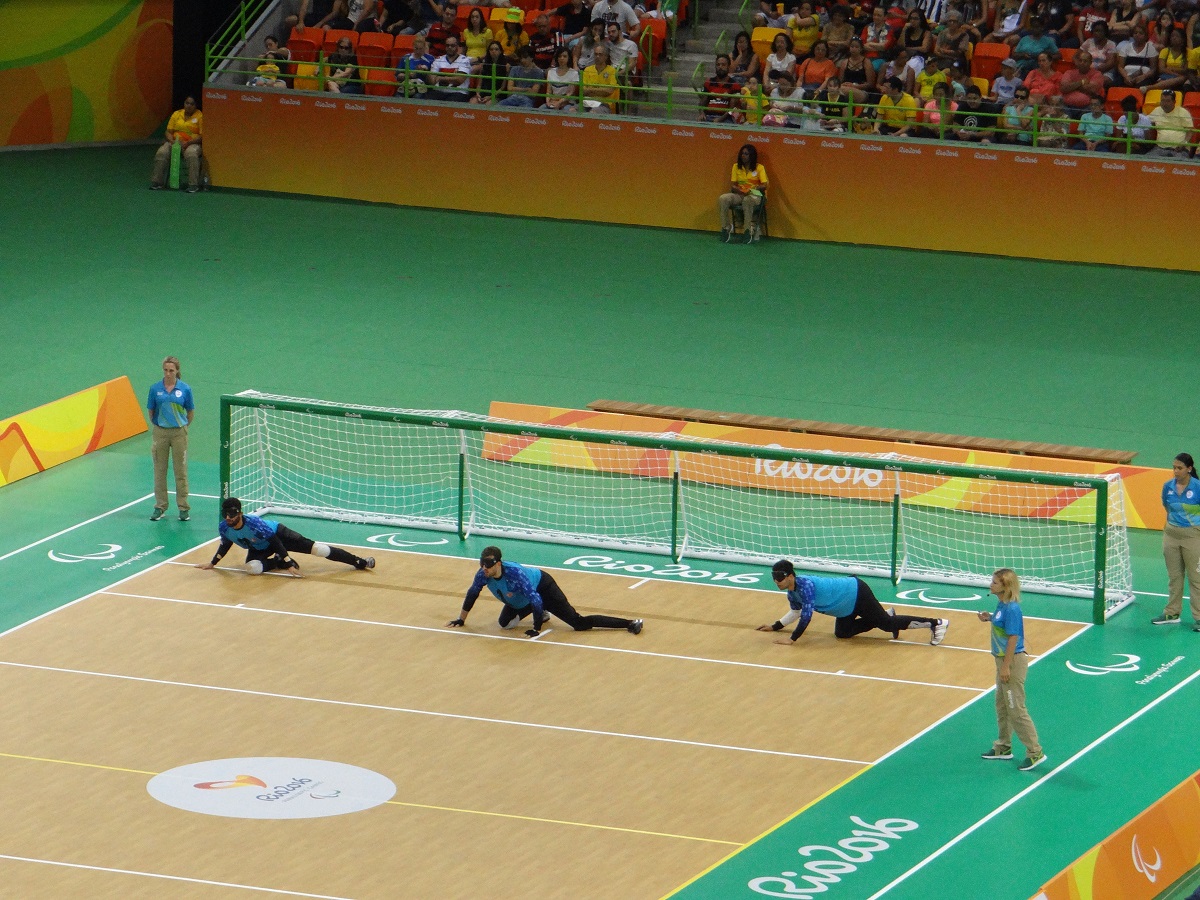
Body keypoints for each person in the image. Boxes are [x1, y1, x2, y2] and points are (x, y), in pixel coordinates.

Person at [447, 546, 643, 635]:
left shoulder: (515, 573)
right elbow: (472, 593)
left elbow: (535, 598)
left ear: (498, 564)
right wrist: (461, 619)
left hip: (543, 588)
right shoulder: (483, 575)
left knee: (578, 624)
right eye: (482, 565)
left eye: (488, 566)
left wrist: (536, 628)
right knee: (504, 625)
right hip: (523, 599)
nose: (484, 569)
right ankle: (540, 612)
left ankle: (629, 623)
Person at [758, 559, 949, 644]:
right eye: (774, 578)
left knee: (887, 625)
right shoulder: (792, 593)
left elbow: (806, 617)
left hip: (856, 593)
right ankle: (883, 615)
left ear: (791, 576)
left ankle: (936, 624)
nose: (776, 581)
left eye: (780, 577)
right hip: (844, 608)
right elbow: (796, 612)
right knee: (842, 633)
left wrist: (792, 639)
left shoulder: (805, 586)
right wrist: (775, 627)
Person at [978, 568, 1046, 772]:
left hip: (1012, 662)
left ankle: (1035, 752)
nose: (991, 585)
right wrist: (990, 618)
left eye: (995, 582)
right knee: (1002, 705)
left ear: (1005, 586)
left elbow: (1013, 638)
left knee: (1016, 708)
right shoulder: (1001, 605)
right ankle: (1003, 746)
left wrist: (1006, 666)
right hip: (1002, 661)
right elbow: (1003, 623)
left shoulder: (1012, 608)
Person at [197, 497, 375, 575]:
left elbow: (275, 542)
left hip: (279, 535)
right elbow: (225, 544)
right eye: (225, 515)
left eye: (231, 514)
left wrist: (289, 563)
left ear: (240, 513)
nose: (228, 518)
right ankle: (277, 562)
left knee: (318, 550)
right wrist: (213, 563)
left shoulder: (254, 524)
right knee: (252, 568)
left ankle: (359, 561)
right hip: (259, 546)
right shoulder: (224, 527)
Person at [1153, 453, 1200, 627]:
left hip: (1193, 536)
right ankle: (1172, 613)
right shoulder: (1168, 486)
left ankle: (1199, 616)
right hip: (1171, 535)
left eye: (1180, 468)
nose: (1176, 471)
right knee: (1174, 577)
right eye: (1174, 468)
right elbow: (1166, 506)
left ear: (1189, 469)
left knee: (1196, 578)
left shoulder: (1197, 487)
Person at [146, 356, 194, 522]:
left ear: (177, 371)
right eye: (165, 370)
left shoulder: (185, 389)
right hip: (160, 433)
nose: (168, 373)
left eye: (171, 370)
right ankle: (160, 507)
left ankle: (183, 508)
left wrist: (182, 427)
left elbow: (190, 411)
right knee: (160, 471)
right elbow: (151, 411)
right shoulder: (155, 389)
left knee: (180, 471)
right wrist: (160, 426)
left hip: (179, 433)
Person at [149, 96, 204, 192]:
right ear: (184, 104)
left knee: (191, 154)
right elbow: (168, 131)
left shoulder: (200, 116)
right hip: (175, 142)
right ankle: (157, 182)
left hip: (192, 143)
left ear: (196, 106)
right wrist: (173, 142)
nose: (189, 106)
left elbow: (202, 136)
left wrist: (188, 142)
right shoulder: (176, 114)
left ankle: (193, 185)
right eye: (187, 103)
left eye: (192, 104)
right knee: (162, 152)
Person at [718, 143, 768, 243]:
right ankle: (726, 227)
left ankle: (747, 231)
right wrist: (739, 190)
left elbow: (765, 185)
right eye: (742, 153)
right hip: (740, 194)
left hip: (755, 195)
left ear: (752, 156)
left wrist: (754, 189)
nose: (743, 156)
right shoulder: (736, 166)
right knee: (723, 198)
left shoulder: (759, 167)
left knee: (747, 200)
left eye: (746, 154)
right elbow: (733, 185)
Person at [1146, 89, 1194, 156]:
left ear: (1174, 102)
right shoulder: (1156, 110)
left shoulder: (1183, 112)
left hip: (1179, 150)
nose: (1164, 104)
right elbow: (1145, 121)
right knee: (1147, 159)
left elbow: (1190, 131)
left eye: (1168, 101)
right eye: (1162, 100)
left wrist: (1184, 143)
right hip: (1160, 148)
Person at [428, 35, 473, 100]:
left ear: (457, 46)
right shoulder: (438, 60)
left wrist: (440, 78)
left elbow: (459, 80)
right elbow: (432, 81)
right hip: (439, 91)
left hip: (458, 92)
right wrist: (452, 78)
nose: (449, 47)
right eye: (447, 45)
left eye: (452, 45)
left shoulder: (464, 60)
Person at [581, 43, 620, 112]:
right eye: (596, 54)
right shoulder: (587, 69)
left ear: (606, 57)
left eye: (600, 54)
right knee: (572, 110)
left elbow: (609, 91)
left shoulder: (612, 70)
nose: (597, 56)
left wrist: (590, 90)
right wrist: (601, 90)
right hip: (587, 102)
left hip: (604, 103)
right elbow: (583, 91)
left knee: (593, 112)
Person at [701, 54, 740, 122]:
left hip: (726, 118)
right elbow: (702, 102)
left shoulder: (735, 85)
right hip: (708, 116)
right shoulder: (708, 82)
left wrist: (720, 119)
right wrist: (701, 113)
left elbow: (732, 109)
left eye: (723, 65)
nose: (720, 67)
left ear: (728, 66)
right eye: (718, 65)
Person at [546, 45, 581, 110]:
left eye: (564, 56)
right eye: (559, 56)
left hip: (568, 103)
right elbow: (548, 91)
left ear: (569, 58)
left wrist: (559, 103)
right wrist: (548, 102)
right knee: (541, 109)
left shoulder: (574, 73)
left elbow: (570, 93)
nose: (562, 58)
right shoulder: (551, 71)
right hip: (553, 101)